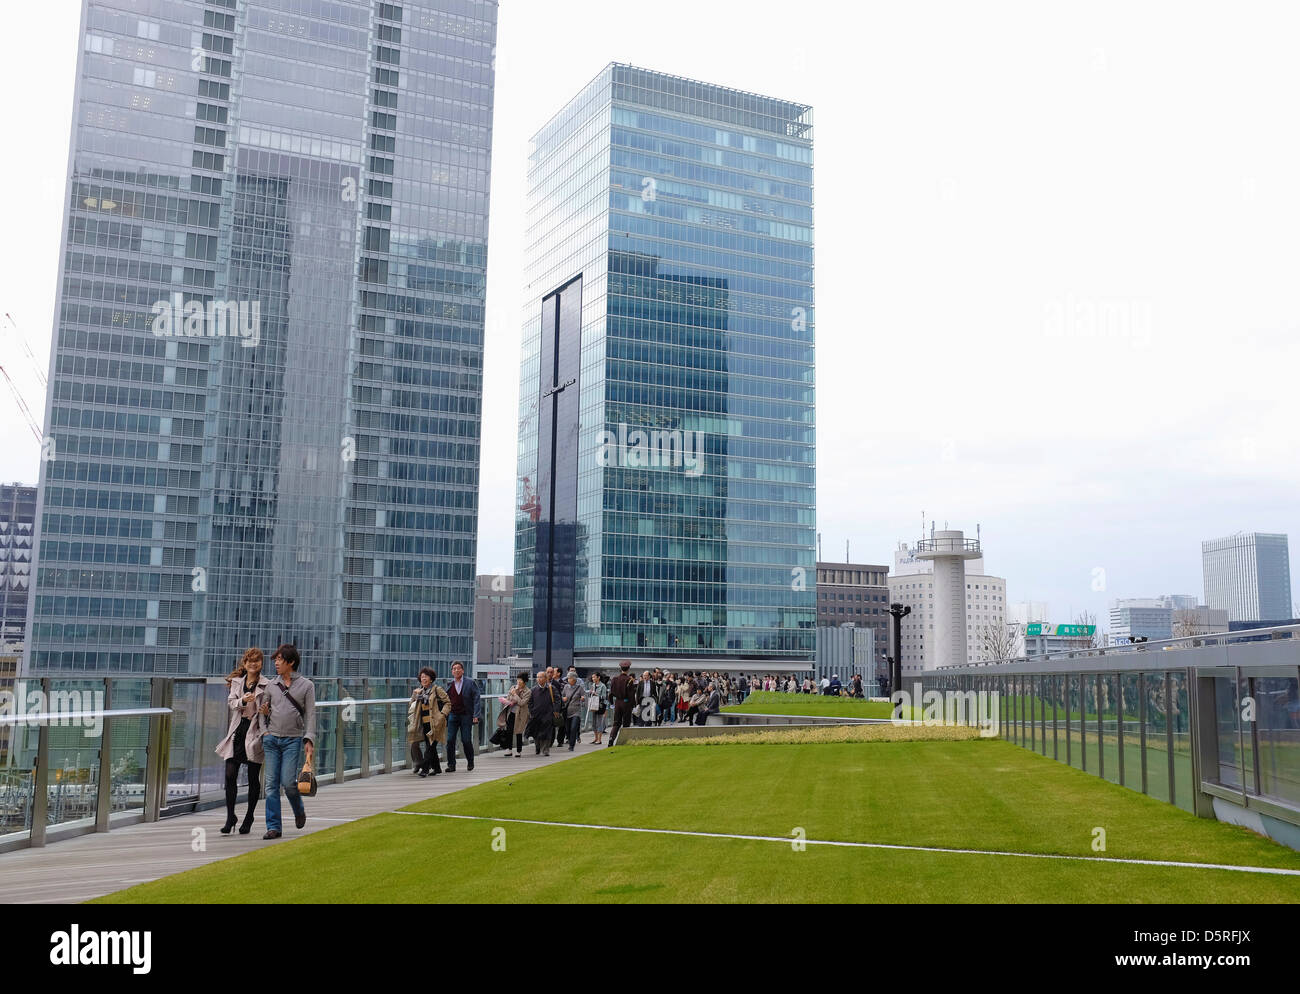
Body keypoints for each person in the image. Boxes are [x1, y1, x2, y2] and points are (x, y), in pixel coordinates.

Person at [259, 643, 315, 840]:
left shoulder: (307, 686)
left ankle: (299, 810)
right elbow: (262, 712)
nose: (276, 663)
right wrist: (265, 732)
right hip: (271, 739)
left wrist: (309, 739)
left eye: (280, 660)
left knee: (289, 783)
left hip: (293, 740)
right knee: (271, 785)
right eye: (276, 660)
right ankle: (273, 827)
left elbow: (311, 715)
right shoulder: (271, 686)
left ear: (290, 662)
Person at [216, 647, 269, 835]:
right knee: (230, 773)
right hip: (238, 730)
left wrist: (265, 710)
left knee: (253, 777)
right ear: (244, 664)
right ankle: (230, 817)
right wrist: (243, 701)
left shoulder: (267, 685)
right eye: (250, 661)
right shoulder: (237, 683)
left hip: (255, 732)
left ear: (261, 663)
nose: (253, 664)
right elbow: (232, 703)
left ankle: (249, 817)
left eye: (257, 661)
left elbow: (271, 709)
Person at [408, 667, 450, 776]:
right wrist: (415, 696)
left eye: (426, 676)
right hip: (423, 723)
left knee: (430, 746)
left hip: (435, 723)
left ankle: (425, 769)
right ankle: (437, 768)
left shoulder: (437, 689)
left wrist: (442, 715)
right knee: (430, 746)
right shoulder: (419, 691)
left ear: (431, 679)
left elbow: (447, 702)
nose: (423, 679)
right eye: (422, 677)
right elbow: (411, 705)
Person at [444, 660, 482, 773]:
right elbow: (444, 700)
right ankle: (451, 765)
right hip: (453, 715)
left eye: (458, 668)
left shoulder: (470, 683)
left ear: (463, 670)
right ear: (452, 671)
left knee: (466, 740)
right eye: (454, 669)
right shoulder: (449, 684)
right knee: (450, 740)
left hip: (466, 715)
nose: (456, 670)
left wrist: (476, 715)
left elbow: (476, 698)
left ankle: (470, 761)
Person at [607, 660, 636, 747]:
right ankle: (624, 740)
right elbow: (631, 695)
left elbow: (610, 693)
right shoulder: (629, 680)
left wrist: (611, 703)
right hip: (626, 703)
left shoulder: (615, 679)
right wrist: (633, 705)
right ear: (628, 669)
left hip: (617, 702)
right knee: (626, 723)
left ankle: (611, 738)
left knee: (616, 723)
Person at [528, 670, 558, 756]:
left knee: (547, 732)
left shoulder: (551, 688)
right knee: (537, 732)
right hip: (536, 715)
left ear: (545, 678)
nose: (538, 679)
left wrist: (555, 710)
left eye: (540, 677)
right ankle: (537, 747)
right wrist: (532, 711)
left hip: (548, 714)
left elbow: (557, 700)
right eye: (537, 677)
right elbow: (530, 702)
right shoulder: (533, 690)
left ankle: (545, 750)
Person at [504, 675, 530, 757]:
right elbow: (508, 699)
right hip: (511, 712)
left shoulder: (528, 691)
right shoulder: (513, 687)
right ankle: (509, 749)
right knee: (509, 731)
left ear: (524, 682)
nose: (518, 682)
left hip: (520, 714)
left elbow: (522, 703)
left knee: (519, 731)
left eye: (520, 680)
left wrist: (515, 694)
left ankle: (519, 751)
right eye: (518, 680)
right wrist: (512, 695)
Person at [561, 670, 587, 750]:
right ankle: (569, 740)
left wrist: (583, 698)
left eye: (569, 678)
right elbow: (562, 696)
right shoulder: (566, 687)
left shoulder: (579, 688)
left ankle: (571, 746)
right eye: (568, 678)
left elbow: (584, 696)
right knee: (568, 729)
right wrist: (563, 699)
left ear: (574, 679)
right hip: (567, 711)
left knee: (573, 728)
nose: (568, 680)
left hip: (576, 711)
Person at [588, 672, 608, 744]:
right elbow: (590, 695)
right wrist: (590, 693)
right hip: (593, 705)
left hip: (600, 706)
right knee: (594, 723)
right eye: (592, 677)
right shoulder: (592, 685)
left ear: (598, 677)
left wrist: (596, 694)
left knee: (599, 722)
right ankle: (596, 738)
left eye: (594, 677)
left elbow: (604, 697)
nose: (593, 678)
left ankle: (599, 739)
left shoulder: (603, 686)